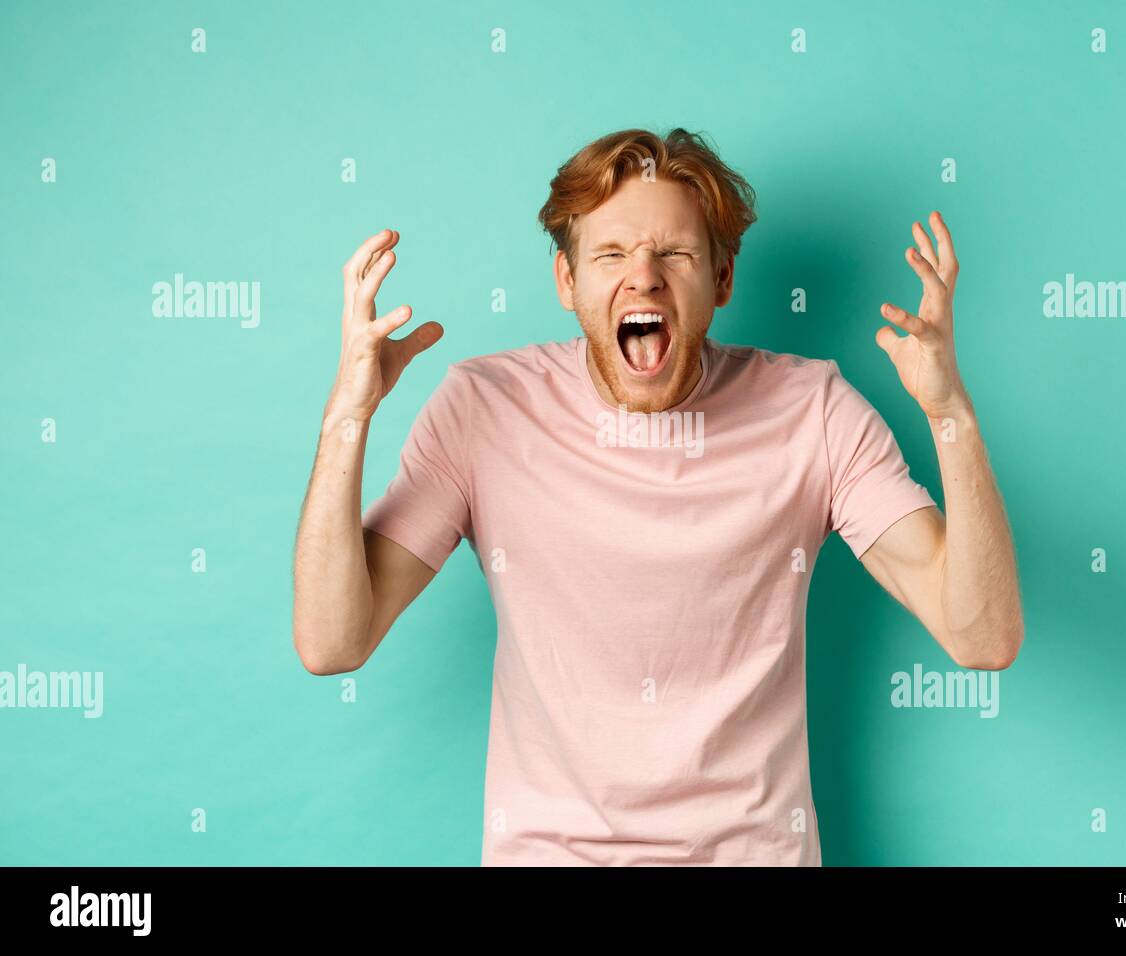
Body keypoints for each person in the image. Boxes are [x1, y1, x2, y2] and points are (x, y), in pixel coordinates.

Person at [292, 128, 1023, 866]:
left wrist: (950, 415)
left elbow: (982, 636)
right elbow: (331, 642)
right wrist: (347, 414)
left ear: (723, 279)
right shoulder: (483, 409)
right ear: (567, 281)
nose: (643, 278)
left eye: (675, 254)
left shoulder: (815, 412)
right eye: (610, 254)